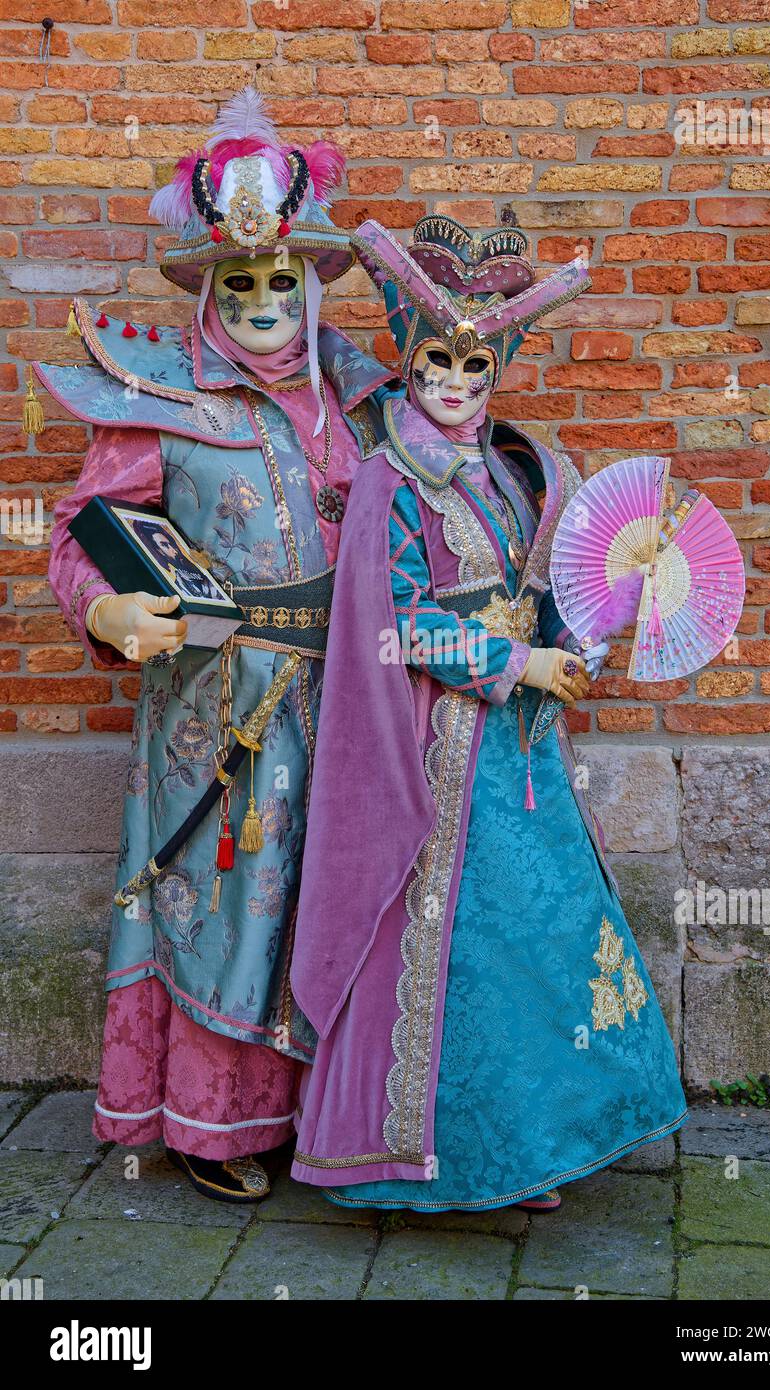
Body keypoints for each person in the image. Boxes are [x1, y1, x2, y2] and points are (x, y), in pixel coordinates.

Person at [288, 214, 688, 1213]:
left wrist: (589, 623)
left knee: (543, 940)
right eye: (435, 364)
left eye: (475, 365)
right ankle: (447, 1160)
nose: (454, 384)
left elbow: (531, 590)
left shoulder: (514, 470)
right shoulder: (390, 479)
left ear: (496, 367)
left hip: (520, 752)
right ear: (407, 364)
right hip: (436, 752)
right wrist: (518, 660)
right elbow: (398, 625)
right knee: (466, 950)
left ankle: (526, 1146)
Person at [38, 88, 395, 1203]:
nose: (258, 300)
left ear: (310, 283)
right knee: (233, 908)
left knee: (332, 893)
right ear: (206, 289)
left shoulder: (366, 394)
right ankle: (211, 1126)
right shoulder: (156, 396)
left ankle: (331, 1118)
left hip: (347, 695)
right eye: (236, 282)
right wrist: (108, 611)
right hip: (216, 708)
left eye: (278, 280)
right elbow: (78, 535)